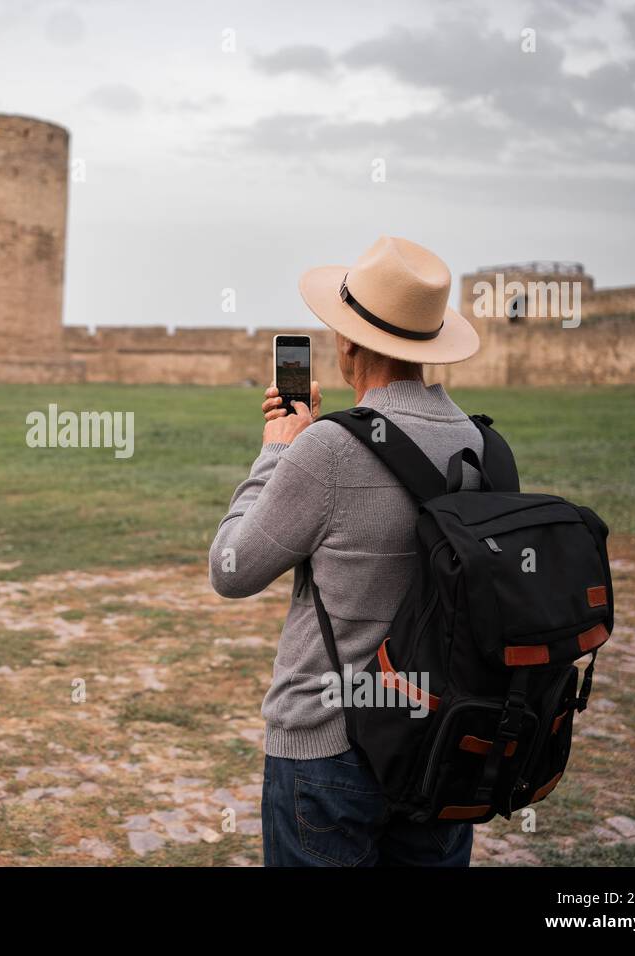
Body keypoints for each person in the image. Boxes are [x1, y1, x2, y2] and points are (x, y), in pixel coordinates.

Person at [209, 236, 485, 866]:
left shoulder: (328, 449)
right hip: (442, 739)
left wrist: (278, 450)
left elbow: (231, 569)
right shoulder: (482, 447)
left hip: (330, 745)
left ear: (350, 343)